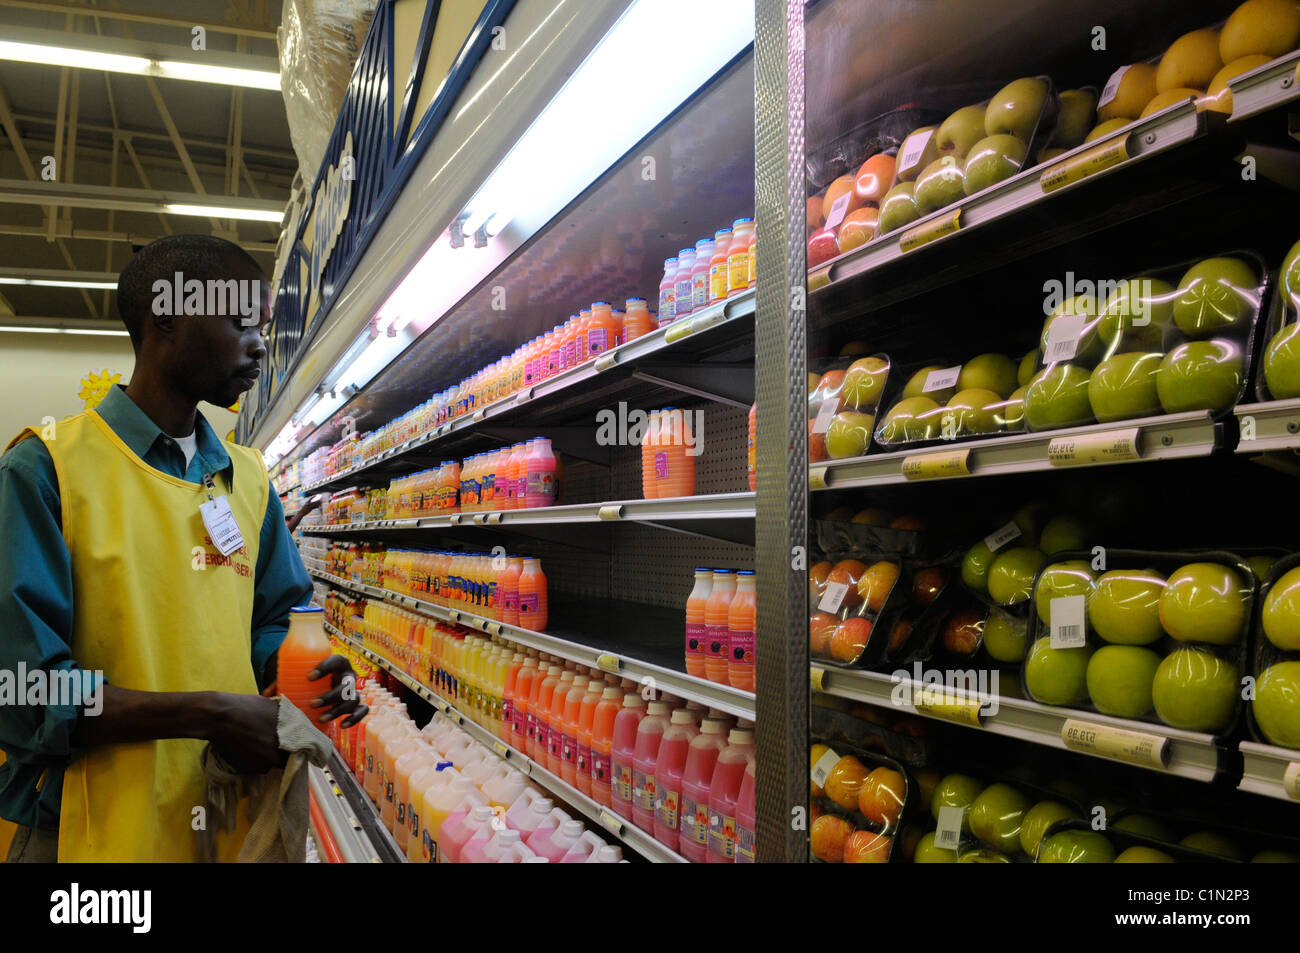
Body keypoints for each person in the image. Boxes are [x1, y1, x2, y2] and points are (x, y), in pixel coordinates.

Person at [0, 234, 366, 863]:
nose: (258, 343)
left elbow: (275, 619)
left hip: (222, 816)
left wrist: (307, 672)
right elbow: (26, 690)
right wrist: (212, 714)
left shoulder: (247, 479)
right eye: (239, 320)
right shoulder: (46, 470)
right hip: (80, 825)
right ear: (167, 315)